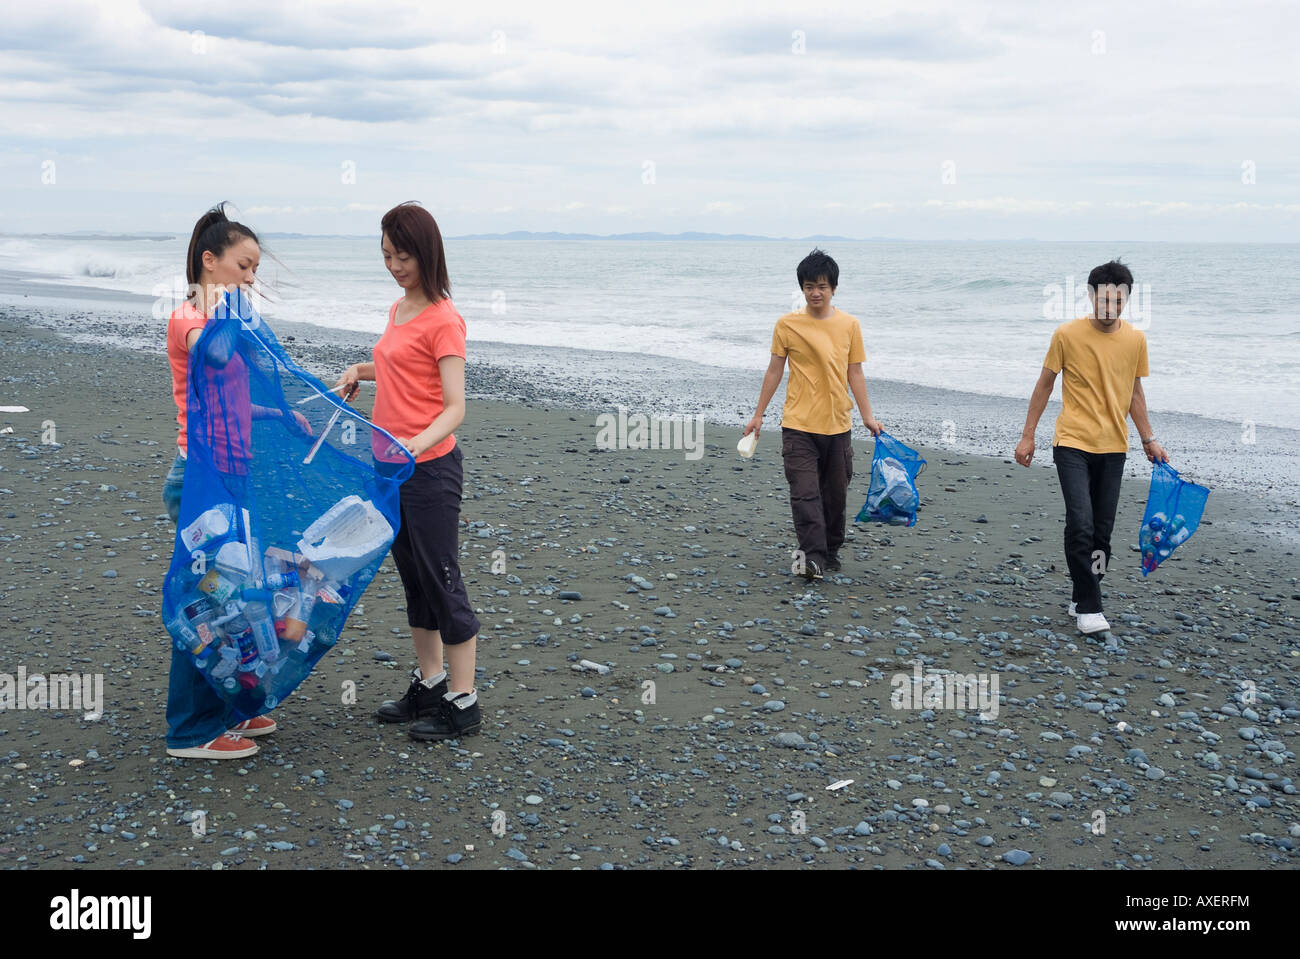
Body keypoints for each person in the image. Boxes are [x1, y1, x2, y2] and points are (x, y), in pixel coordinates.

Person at [162, 204, 308, 759]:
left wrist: (279, 416)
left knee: (233, 598)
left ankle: (226, 711)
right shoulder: (190, 320)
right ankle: (190, 732)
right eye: (243, 267)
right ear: (209, 261)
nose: (251, 279)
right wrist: (229, 306)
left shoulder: (225, 315)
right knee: (205, 600)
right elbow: (215, 354)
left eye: (254, 270)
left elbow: (232, 398)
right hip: (200, 481)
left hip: (229, 475)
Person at [335, 201, 482, 741]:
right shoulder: (399, 310)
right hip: (390, 471)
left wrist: (413, 445)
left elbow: (454, 405)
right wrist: (361, 369)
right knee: (414, 580)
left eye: (403, 256)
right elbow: (401, 368)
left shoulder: (445, 318)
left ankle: (464, 702)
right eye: (387, 255)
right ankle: (431, 682)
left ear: (427, 253)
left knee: (443, 580)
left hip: (429, 472)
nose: (395, 265)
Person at [1015, 259, 1169, 635]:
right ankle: (1089, 606)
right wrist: (1028, 434)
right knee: (1081, 524)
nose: (1110, 308)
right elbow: (1044, 384)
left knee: (1102, 533)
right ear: (1090, 296)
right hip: (1072, 442)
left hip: (1114, 446)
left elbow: (1134, 391)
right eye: (1104, 300)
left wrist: (1149, 438)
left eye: (1119, 301)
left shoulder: (1135, 339)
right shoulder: (1067, 335)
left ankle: (1085, 589)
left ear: (1127, 300)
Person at [743, 248, 883, 582]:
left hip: (838, 425)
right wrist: (758, 414)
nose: (815, 292)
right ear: (802, 289)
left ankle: (830, 550)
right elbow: (775, 371)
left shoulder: (850, 325)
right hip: (798, 424)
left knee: (835, 495)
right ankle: (811, 558)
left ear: (834, 288)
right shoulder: (787, 325)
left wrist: (868, 416)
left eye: (821, 286)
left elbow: (856, 373)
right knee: (804, 492)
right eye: (808, 286)